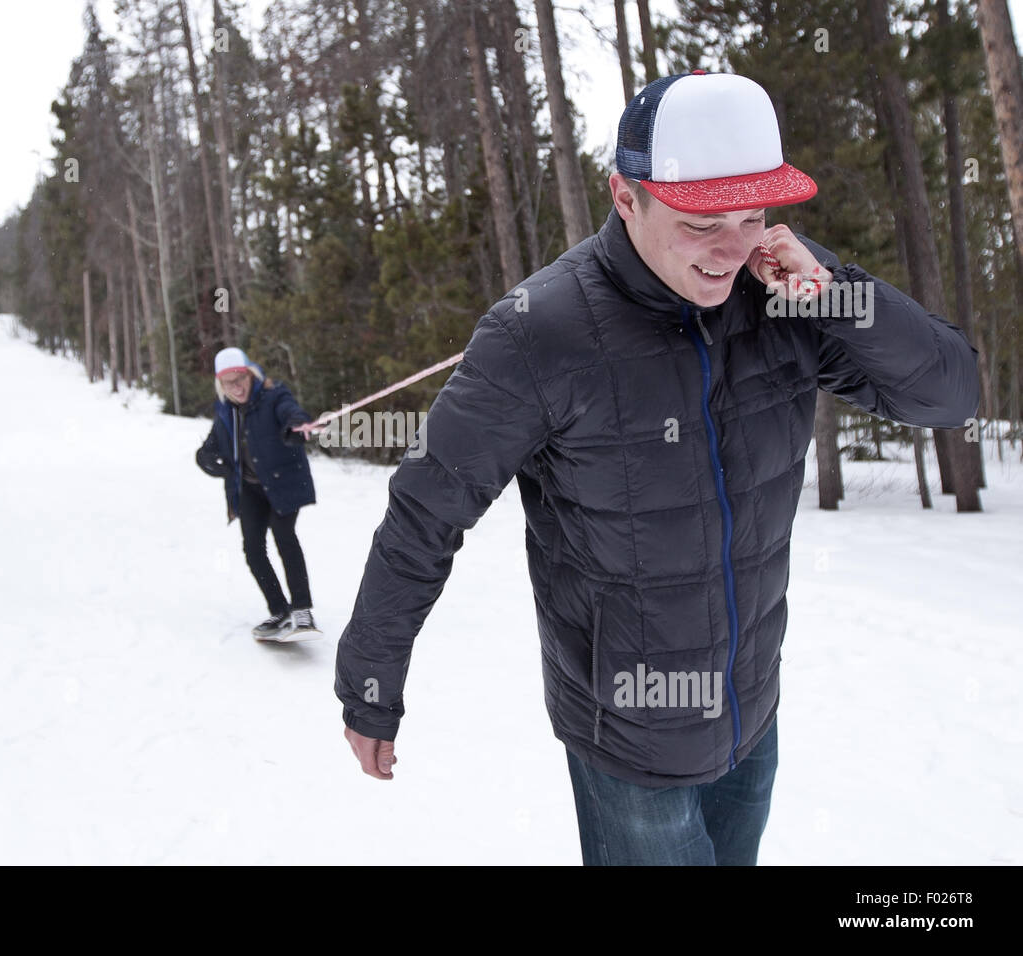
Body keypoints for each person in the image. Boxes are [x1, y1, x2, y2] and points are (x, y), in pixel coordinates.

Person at [333, 72, 979, 864]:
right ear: (624, 195)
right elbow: (424, 514)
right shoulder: (541, 333)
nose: (732, 249)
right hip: (629, 743)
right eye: (702, 221)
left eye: (752, 216)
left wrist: (843, 295)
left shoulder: (787, 291)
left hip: (751, 711)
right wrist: (370, 685)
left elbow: (950, 396)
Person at [196, 346, 319, 639]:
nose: (236, 387)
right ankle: (279, 610)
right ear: (221, 385)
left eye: (241, 379)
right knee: (252, 549)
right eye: (229, 382)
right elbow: (212, 448)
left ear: (251, 375)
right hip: (251, 489)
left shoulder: (273, 396)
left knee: (284, 536)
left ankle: (302, 610)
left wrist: (297, 426)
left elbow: (291, 412)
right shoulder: (225, 412)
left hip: (284, 482)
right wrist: (208, 461)